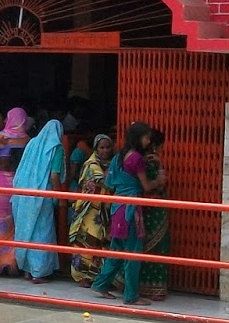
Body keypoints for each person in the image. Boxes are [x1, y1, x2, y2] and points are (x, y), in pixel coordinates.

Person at [91, 122, 148, 306]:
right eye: (146, 137)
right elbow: (146, 186)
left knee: (116, 250)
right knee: (133, 251)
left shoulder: (119, 157)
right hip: (131, 209)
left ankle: (101, 284)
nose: (148, 141)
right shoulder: (136, 158)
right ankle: (131, 296)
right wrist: (159, 181)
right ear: (139, 138)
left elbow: (109, 183)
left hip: (117, 208)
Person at [11, 118, 66, 283]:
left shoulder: (33, 143)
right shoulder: (56, 147)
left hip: (22, 193)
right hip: (41, 195)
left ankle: (27, 270)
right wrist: (59, 196)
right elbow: (54, 175)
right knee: (42, 232)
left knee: (26, 231)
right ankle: (39, 272)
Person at [0, 107, 30, 276]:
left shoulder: (1, 137)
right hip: (18, 181)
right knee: (15, 222)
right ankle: (14, 263)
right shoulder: (28, 140)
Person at [68, 134, 115, 285]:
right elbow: (104, 182)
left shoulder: (112, 164)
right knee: (86, 242)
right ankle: (81, 276)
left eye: (108, 147)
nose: (105, 150)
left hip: (105, 210)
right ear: (96, 149)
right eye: (102, 147)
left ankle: (97, 277)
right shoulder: (91, 165)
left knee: (101, 242)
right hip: (89, 211)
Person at [136, 126, 171, 302]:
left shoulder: (142, 160)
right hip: (153, 210)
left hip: (148, 209)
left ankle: (142, 286)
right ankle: (151, 288)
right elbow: (158, 182)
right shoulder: (150, 162)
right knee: (156, 248)